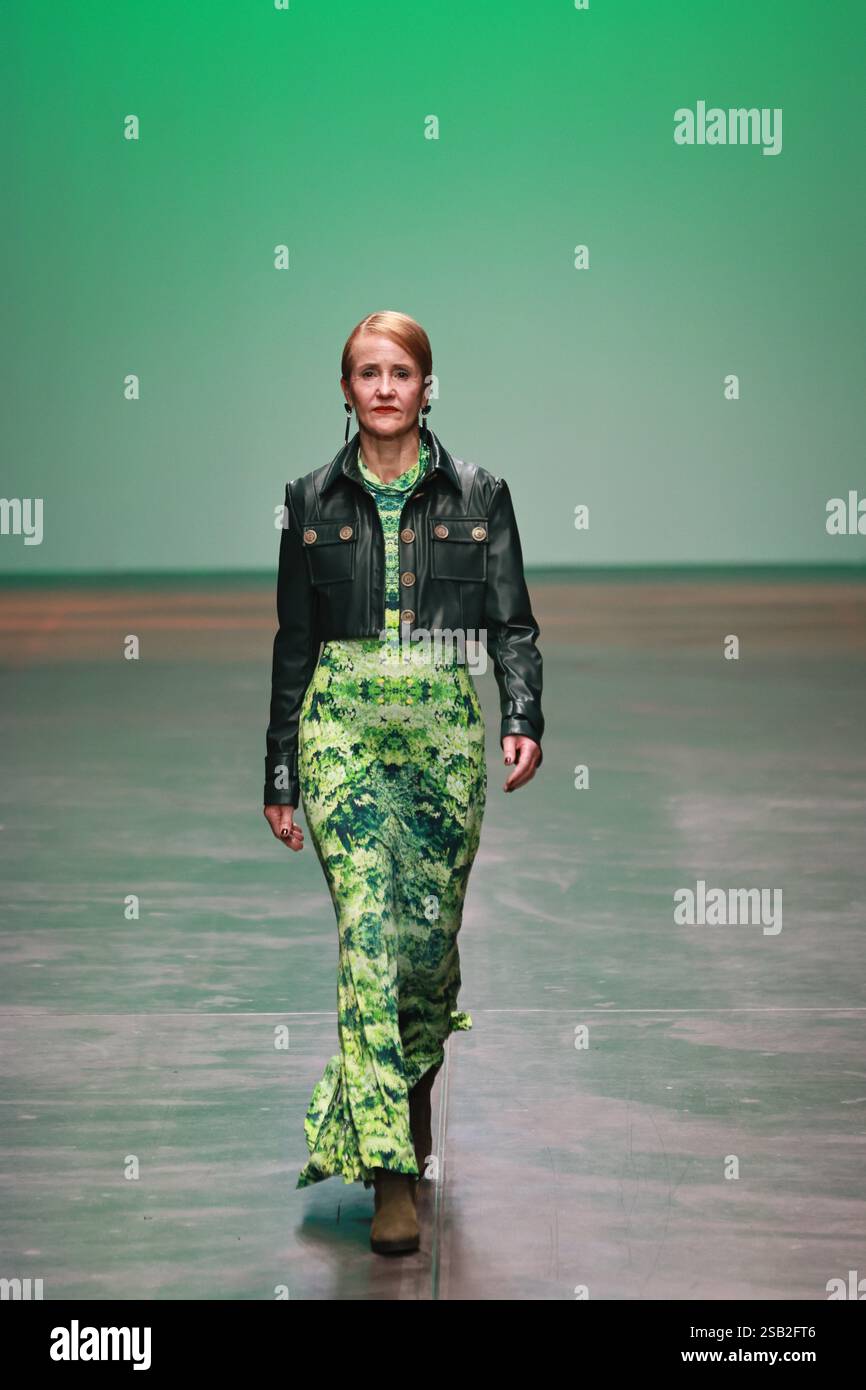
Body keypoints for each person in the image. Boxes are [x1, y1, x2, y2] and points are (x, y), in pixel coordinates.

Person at [263, 310, 544, 1255]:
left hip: (441, 733)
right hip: (339, 730)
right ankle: (390, 1173)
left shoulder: (481, 493)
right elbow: (293, 640)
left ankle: (410, 1102)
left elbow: (512, 623)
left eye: (401, 372)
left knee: (426, 951)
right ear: (346, 391)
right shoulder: (308, 499)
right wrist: (280, 768)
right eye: (367, 373)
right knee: (367, 940)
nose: (384, 388)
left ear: (427, 387)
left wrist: (522, 715)